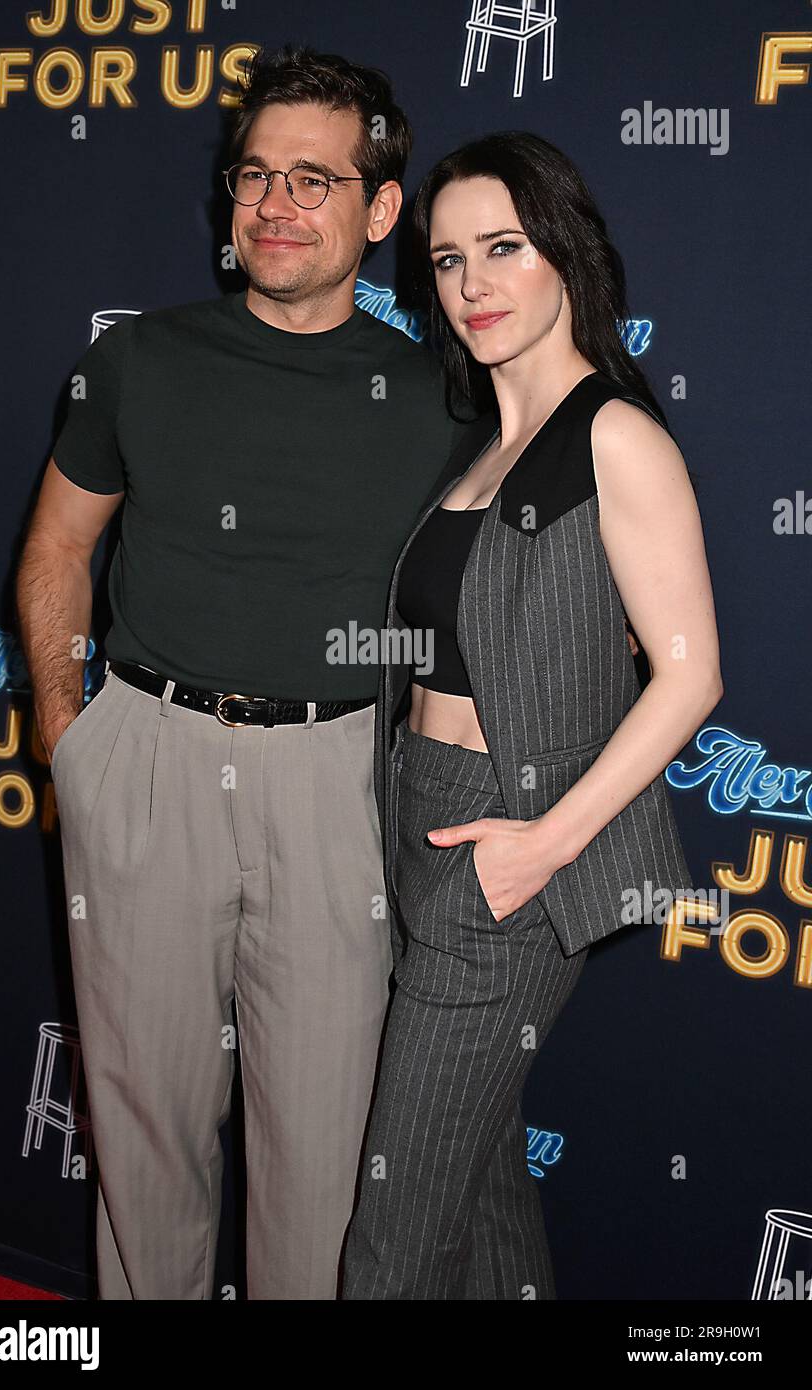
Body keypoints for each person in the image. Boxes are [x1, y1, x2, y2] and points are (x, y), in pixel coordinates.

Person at [15, 45, 478, 1301]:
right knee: (142, 1142)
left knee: (324, 1171)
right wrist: (72, 731)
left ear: (382, 212)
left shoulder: (446, 395)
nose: (277, 204)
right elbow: (58, 546)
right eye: (257, 175)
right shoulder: (140, 360)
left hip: (338, 788)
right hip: (146, 763)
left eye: (315, 181)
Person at [342, 130, 723, 1300]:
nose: (472, 286)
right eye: (449, 260)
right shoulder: (479, 450)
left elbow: (691, 673)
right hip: (419, 821)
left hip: (505, 850)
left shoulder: (614, 435)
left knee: (394, 1241)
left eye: (503, 248)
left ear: (566, 254)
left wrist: (541, 848)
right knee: (484, 1186)